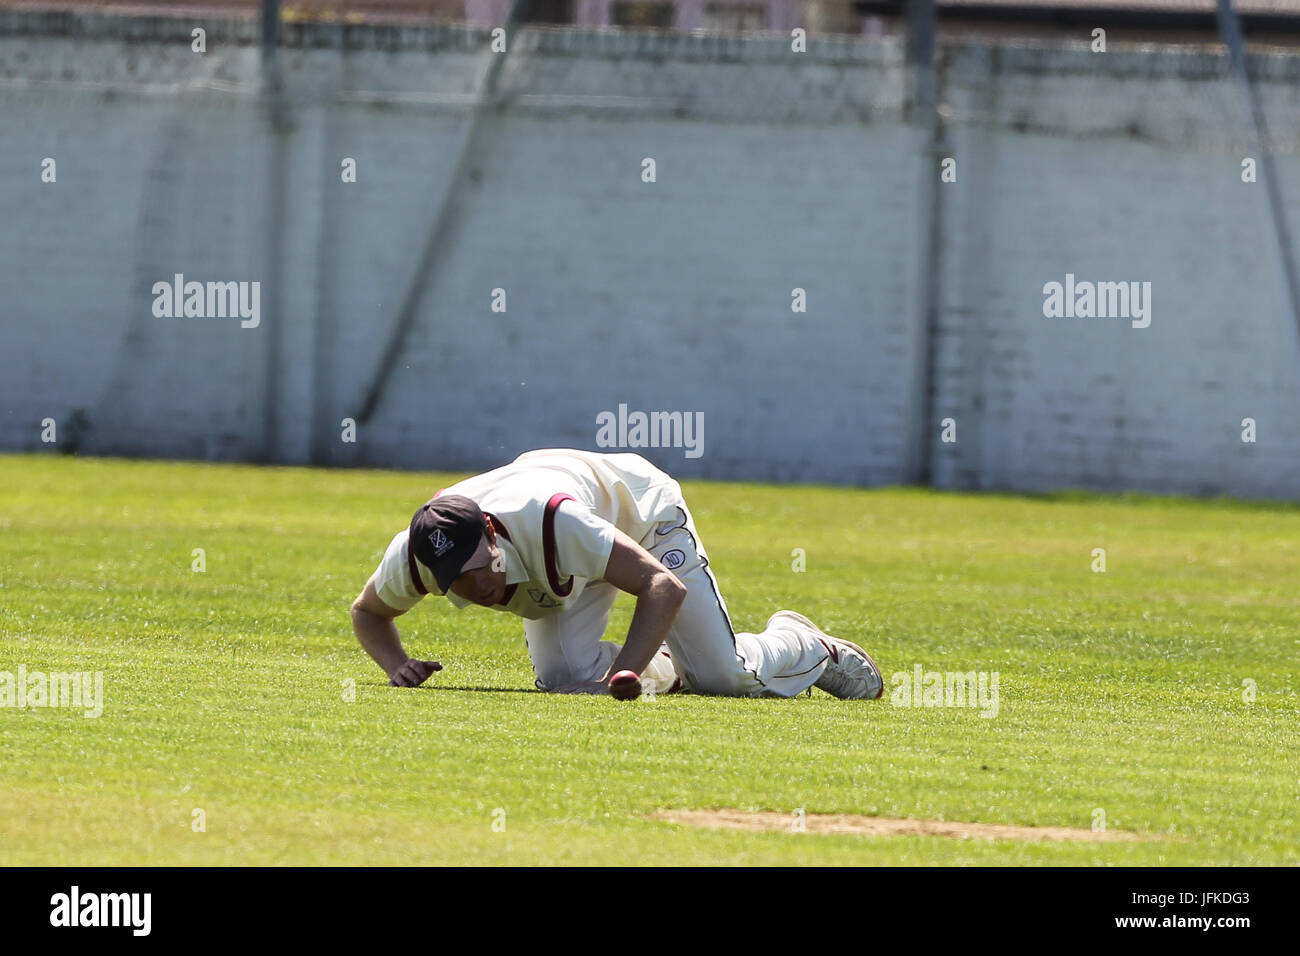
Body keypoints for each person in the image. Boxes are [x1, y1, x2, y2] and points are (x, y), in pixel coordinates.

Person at [350, 448, 883, 699]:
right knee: (563, 681)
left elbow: (660, 585)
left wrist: (615, 683)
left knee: (724, 677)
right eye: (457, 583)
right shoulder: (421, 551)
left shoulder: (552, 520)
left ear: (492, 532)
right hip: (574, 559)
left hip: (640, 517)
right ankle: (670, 667)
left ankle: (806, 644)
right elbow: (368, 612)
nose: (478, 589)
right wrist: (396, 665)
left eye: (478, 569)